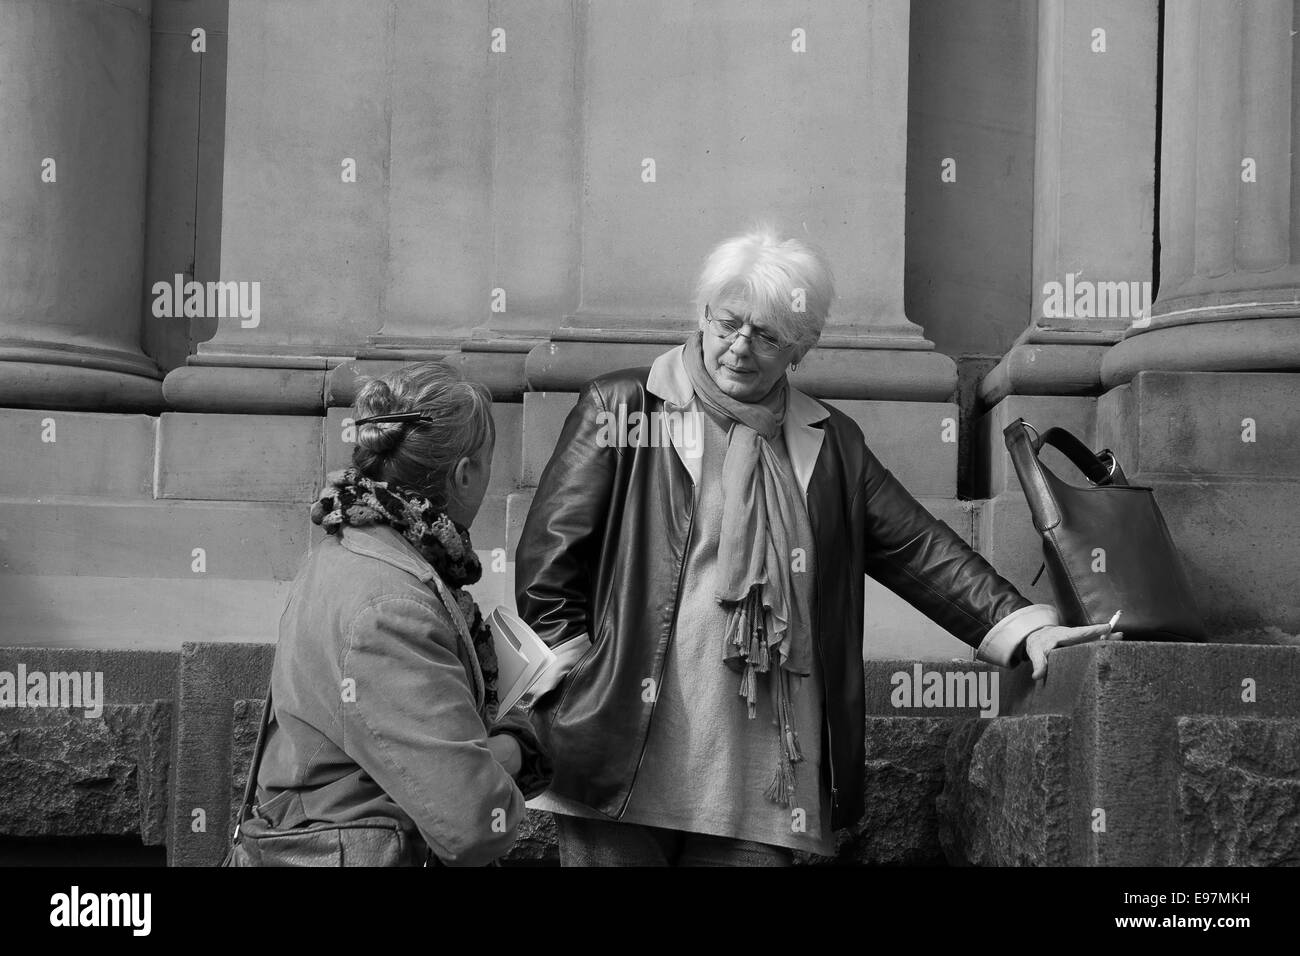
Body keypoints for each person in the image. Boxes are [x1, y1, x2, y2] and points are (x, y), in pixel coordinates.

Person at [515, 227, 1121, 866]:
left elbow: (917, 545)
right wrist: (574, 677)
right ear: (703, 314)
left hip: (763, 763)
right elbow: (551, 554)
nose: (741, 347)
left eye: (768, 335)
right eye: (729, 323)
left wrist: (1022, 626)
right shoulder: (626, 405)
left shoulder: (830, 441)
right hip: (623, 736)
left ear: (800, 349)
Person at [250, 362, 550, 866]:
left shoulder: (352, 545)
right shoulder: (392, 604)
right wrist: (516, 750)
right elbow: (474, 824)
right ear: (464, 474)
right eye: (488, 462)